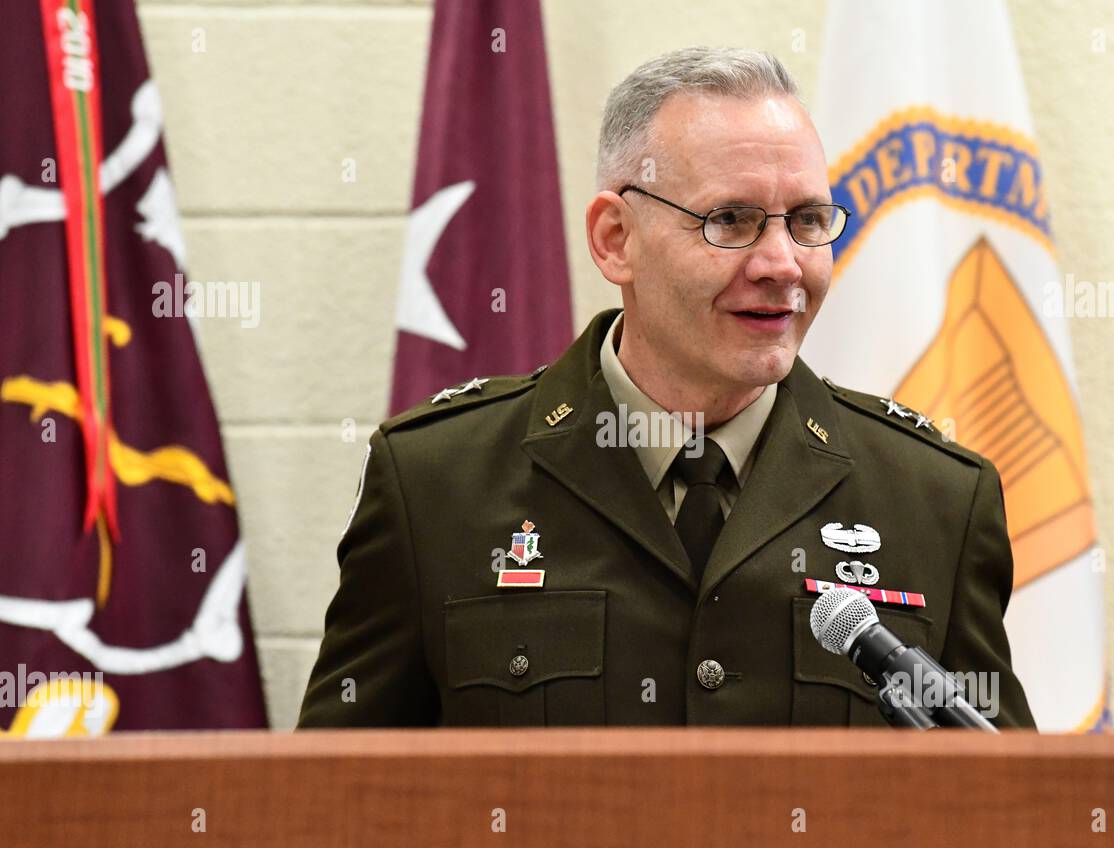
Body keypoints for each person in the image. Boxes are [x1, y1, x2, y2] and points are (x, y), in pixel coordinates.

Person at [297, 47, 1036, 730]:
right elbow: (335, 808)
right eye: (732, 221)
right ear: (616, 239)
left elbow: (1002, 815)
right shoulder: (436, 484)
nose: (783, 263)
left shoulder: (935, 500)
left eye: (808, 220)